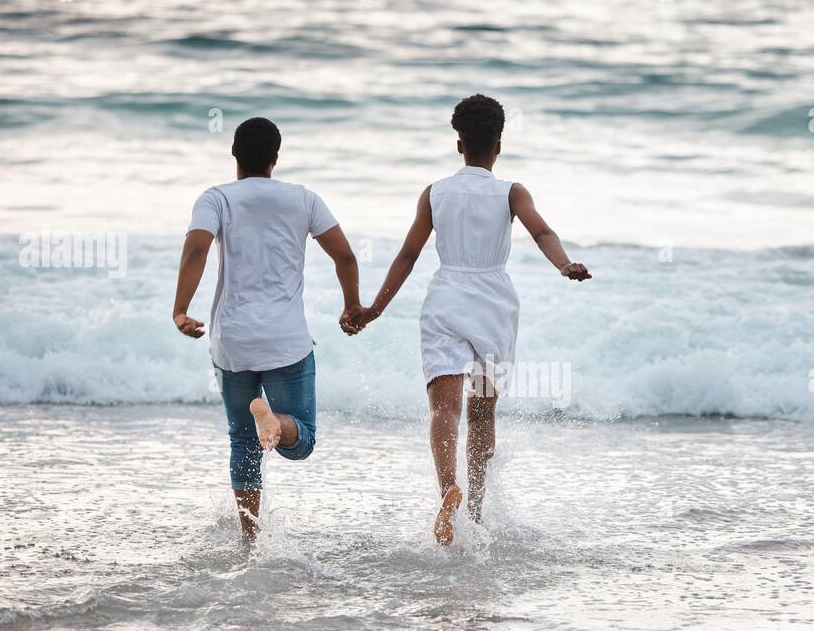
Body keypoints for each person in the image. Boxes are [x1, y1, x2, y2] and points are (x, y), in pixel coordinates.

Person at [341, 94, 591, 545]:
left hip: (445, 302)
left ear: (459, 145)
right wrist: (564, 264)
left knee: (444, 407)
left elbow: (408, 255)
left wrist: (373, 310)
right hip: (494, 307)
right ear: (498, 146)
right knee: (481, 414)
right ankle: (473, 508)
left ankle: (447, 489)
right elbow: (542, 232)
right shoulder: (511, 191)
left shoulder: (435, 192)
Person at [173, 117, 360, 542]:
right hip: (286, 341)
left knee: (242, 440)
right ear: (276, 158)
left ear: (234, 155)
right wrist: (351, 307)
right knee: (302, 440)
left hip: (232, 341)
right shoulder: (304, 199)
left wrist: (181, 310)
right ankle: (275, 419)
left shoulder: (215, 198)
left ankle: (250, 538)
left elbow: (197, 248)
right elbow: (345, 256)